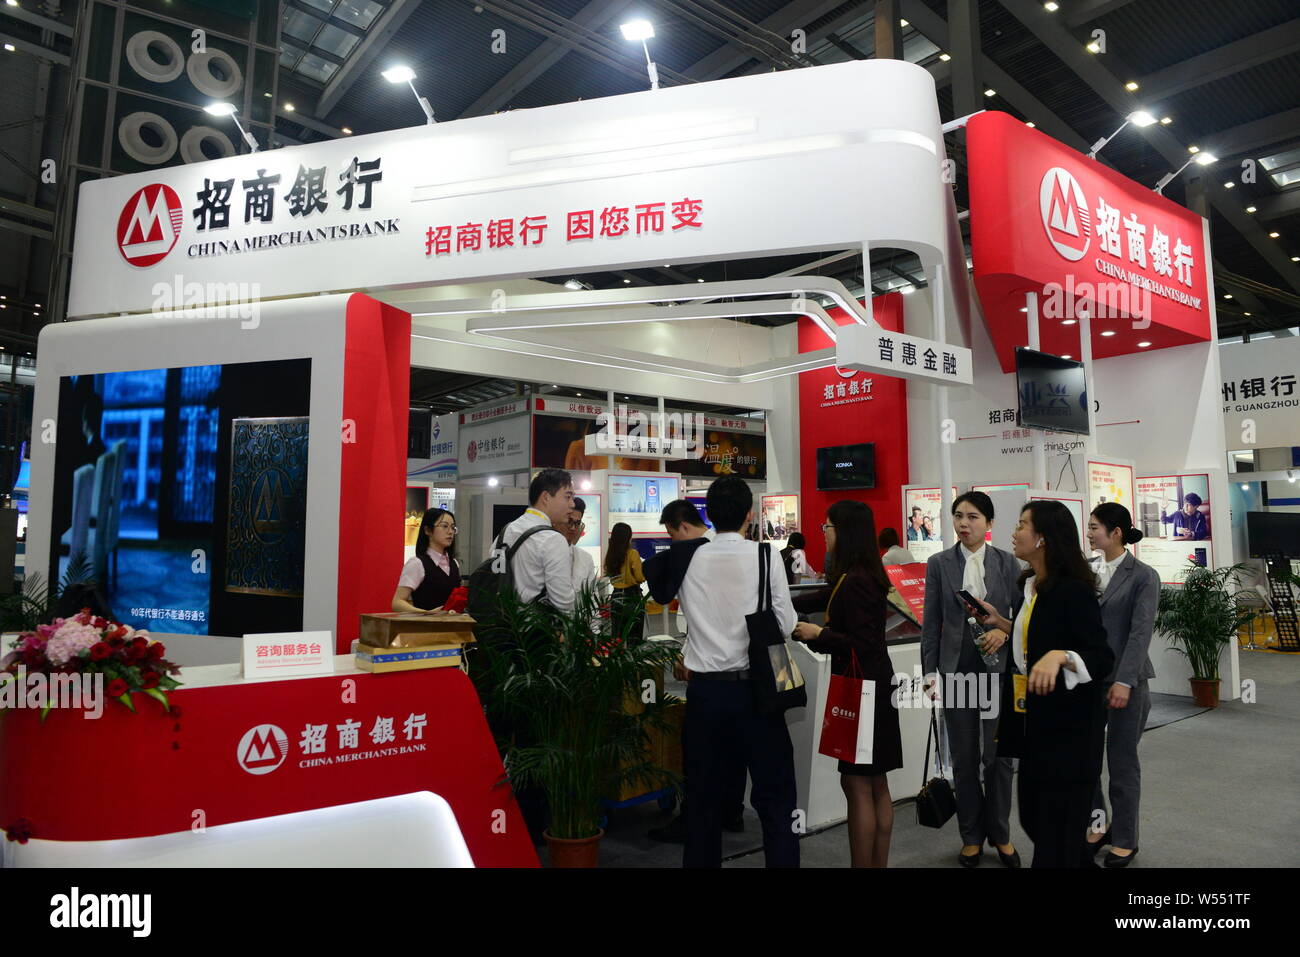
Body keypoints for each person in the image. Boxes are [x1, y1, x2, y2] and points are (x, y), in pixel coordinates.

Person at [977, 501, 1115, 868]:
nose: (1014, 531)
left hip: (1069, 729)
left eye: (1022, 524)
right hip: (1034, 722)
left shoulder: (1073, 590)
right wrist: (1003, 623)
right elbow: (1035, 640)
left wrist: (1063, 656)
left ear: (1043, 538)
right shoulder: (1030, 584)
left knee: (1058, 830)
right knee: (1037, 818)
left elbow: (1101, 657)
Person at [678, 476, 799, 868]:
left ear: (708, 514)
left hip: (705, 696)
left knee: (702, 802)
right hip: (758, 694)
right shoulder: (766, 557)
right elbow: (783, 624)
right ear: (750, 515)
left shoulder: (688, 560)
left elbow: (685, 623)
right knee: (776, 801)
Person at [791, 500, 902, 867]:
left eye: (827, 526)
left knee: (858, 785)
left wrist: (817, 633)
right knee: (876, 783)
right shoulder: (859, 574)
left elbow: (861, 642)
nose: (824, 533)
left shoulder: (855, 579)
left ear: (844, 530)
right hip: (875, 685)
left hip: (862, 689)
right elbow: (824, 596)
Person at [920, 491, 1022, 867]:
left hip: (998, 670)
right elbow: (931, 624)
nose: (964, 523)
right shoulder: (939, 563)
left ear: (990, 524)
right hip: (957, 669)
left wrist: (1006, 633)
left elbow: (1024, 619)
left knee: (999, 758)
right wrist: (930, 673)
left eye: (974, 517)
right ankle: (971, 836)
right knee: (963, 757)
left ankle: (1001, 834)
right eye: (959, 516)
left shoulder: (1009, 564)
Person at [642, 499, 747, 844]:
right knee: (734, 750)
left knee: (700, 755)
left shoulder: (689, 556)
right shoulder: (751, 554)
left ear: (682, 527)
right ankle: (731, 812)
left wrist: (689, 654)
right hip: (745, 675)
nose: (671, 542)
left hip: (708, 677)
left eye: (671, 534)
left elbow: (662, 589)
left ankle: (694, 821)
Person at [1085, 503, 1159, 868]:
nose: (1089, 532)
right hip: (1088, 681)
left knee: (1121, 762)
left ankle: (1127, 839)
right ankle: (1099, 826)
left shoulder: (1143, 575)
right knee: (1085, 760)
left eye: (1095, 527)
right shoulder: (1088, 570)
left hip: (1127, 682)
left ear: (1115, 533)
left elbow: (1140, 634)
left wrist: (1125, 681)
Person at [499, 468, 576, 614]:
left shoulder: (506, 531)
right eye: (568, 497)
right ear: (546, 497)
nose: (572, 504)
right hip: (536, 631)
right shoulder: (552, 539)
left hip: (502, 627)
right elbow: (563, 601)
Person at [392, 508, 461, 613]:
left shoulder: (454, 563)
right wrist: (426, 614)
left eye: (453, 527)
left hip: (452, 627)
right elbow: (397, 603)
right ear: (428, 530)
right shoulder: (417, 564)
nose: (450, 532)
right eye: (444, 526)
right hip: (424, 627)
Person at [605, 522, 646, 642]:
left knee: (617, 636)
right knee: (634, 636)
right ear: (628, 537)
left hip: (616, 596)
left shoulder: (610, 555)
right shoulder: (633, 554)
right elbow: (639, 577)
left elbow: (609, 574)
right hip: (632, 597)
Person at [560, 496, 597, 595]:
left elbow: (593, 597)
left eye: (577, 523)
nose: (572, 528)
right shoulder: (546, 552)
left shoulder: (586, 558)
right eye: (569, 521)